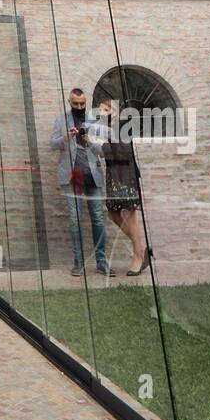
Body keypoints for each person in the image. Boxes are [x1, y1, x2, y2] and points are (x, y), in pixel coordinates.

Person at [50, 87, 115, 278]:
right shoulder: (61, 120)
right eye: (75, 103)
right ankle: (78, 262)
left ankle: (101, 262)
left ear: (86, 102)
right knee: (74, 219)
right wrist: (66, 137)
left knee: (97, 217)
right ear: (69, 102)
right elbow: (52, 144)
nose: (79, 106)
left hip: (92, 174)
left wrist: (88, 141)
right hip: (72, 177)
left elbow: (104, 150)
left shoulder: (95, 120)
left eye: (82, 103)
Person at [99, 98, 151, 277]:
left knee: (130, 215)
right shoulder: (107, 128)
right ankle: (142, 248)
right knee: (113, 213)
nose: (104, 113)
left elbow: (123, 152)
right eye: (102, 111)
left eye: (107, 110)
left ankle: (138, 256)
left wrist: (100, 145)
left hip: (126, 174)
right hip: (113, 175)